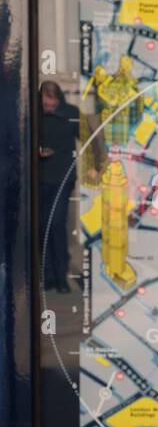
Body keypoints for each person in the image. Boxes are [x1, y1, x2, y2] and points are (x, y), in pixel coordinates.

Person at [38, 81, 79, 293]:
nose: (49, 109)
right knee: (42, 227)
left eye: (52, 106)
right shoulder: (33, 113)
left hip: (62, 178)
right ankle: (48, 276)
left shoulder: (71, 113)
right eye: (45, 106)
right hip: (39, 178)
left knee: (56, 224)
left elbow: (89, 137)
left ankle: (60, 275)